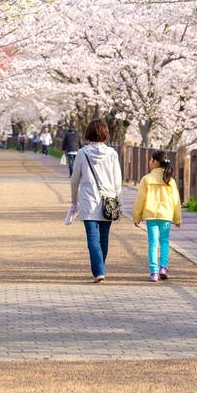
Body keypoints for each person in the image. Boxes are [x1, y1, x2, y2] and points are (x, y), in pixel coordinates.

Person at [70, 118, 122, 283]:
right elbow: (117, 180)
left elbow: (74, 179)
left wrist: (74, 201)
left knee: (93, 237)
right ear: (106, 134)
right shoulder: (112, 154)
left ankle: (99, 270)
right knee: (104, 237)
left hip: (88, 200)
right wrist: (118, 201)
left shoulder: (82, 153)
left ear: (88, 133)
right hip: (108, 200)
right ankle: (100, 268)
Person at [132, 150, 182, 282]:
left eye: (151, 160)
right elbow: (176, 200)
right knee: (164, 241)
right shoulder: (170, 180)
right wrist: (177, 218)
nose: (149, 162)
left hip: (151, 215)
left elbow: (140, 199)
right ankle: (163, 268)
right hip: (166, 215)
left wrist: (136, 216)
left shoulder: (147, 179)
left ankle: (154, 272)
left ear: (154, 162)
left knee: (153, 244)